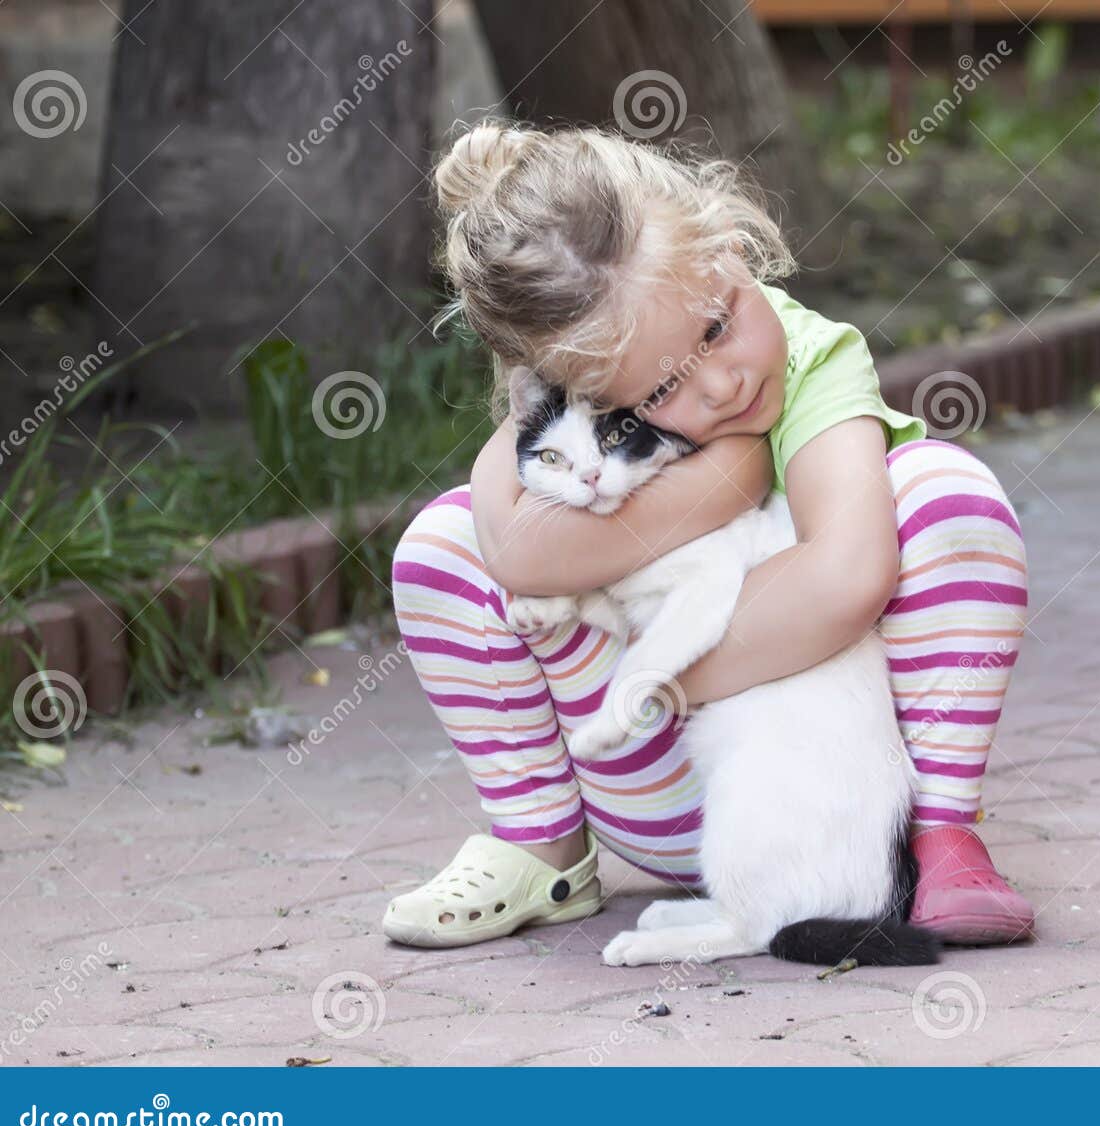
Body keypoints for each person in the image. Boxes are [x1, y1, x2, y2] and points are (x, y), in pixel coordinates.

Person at [384, 120, 1033, 951]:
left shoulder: (815, 359)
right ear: (579, 389)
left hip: (808, 794)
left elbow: (849, 576)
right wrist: (640, 659)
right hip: (640, 771)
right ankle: (540, 842)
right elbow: (512, 550)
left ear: (733, 241)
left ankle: (940, 831)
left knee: (944, 493)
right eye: (663, 387)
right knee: (441, 543)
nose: (722, 385)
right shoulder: (575, 406)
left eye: (719, 326)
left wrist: (660, 673)